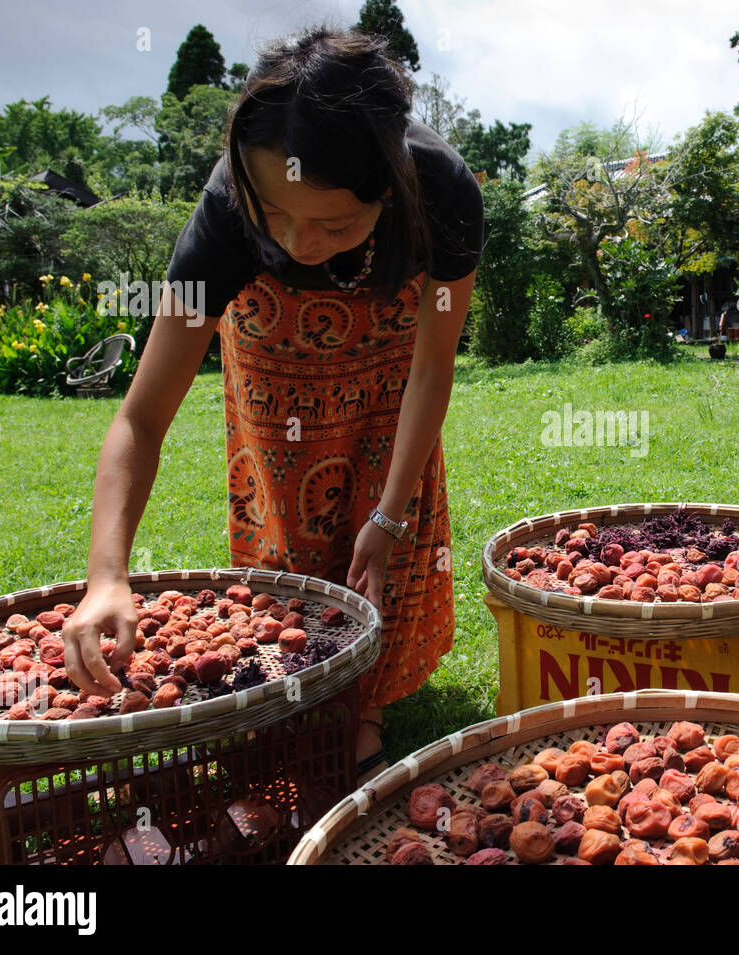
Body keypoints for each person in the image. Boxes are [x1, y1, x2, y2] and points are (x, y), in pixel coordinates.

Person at [61, 27, 483, 774]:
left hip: (390, 345)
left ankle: (370, 695)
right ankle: (293, 673)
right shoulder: (226, 210)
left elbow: (430, 369)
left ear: (386, 190)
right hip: (272, 340)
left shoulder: (443, 192)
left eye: (335, 223)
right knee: (284, 505)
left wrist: (387, 516)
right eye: (275, 216)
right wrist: (106, 576)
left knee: (382, 517)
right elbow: (142, 415)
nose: (298, 242)